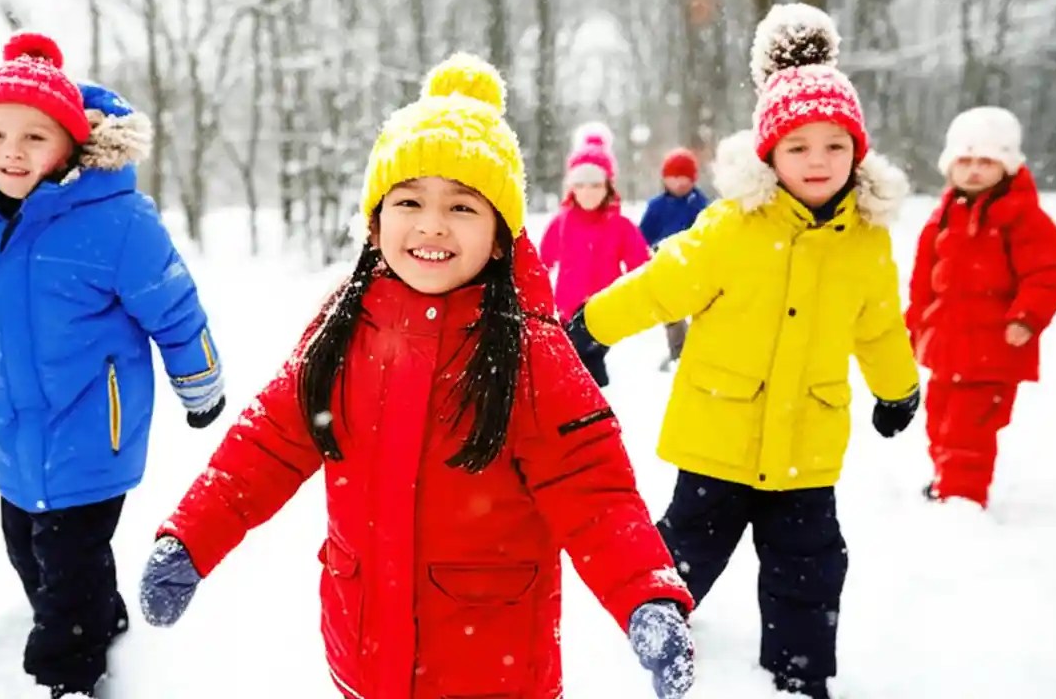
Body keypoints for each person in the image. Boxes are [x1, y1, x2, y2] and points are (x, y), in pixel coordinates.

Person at [137, 53, 695, 699]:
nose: (430, 224)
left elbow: (596, 495)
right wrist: (191, 537)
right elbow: (269, 442)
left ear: (500, 235)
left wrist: (646, 596)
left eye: (462, 207)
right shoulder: (343, 330)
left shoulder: (531, 352)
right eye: (408, 201)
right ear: (375, 222)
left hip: (491, 667)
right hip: (365, 652)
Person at [565, 4, 919, 698]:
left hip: (806, 447)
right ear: (769, 155)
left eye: (834, 146)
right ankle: (653, 615)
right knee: (688, 544)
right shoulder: (731, 227)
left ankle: (800, 671)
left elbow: (879, 324)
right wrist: (593, 324)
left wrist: (896, 387)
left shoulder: (866, 241)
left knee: (810, 566)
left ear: (857, 152)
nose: (817, 160)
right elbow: (663, 285)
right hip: (717, 435)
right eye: (798, 147)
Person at [0, 32, 226, 698]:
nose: (10, 152)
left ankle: (69, 676)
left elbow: (173, 306)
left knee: (67, 562)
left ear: (71, 146)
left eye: (33, 137)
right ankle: (99, 619)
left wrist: (199, 384)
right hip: (12, 430)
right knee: (29, 549)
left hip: (94, 430)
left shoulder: (117, 220)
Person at [906, 106, 1056, 508]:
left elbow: (1047, 275)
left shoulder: (1023, 218)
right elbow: (924, 280)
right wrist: (915, 325)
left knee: (969, 429)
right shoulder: (944, 216)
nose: (975, 170)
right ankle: (947, 481)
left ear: (1008, 166)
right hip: (946, 348)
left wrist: (1026, 318)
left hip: (993, 350)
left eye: (987, 161)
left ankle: (962, 498)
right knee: (940, 422)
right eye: (965, 160)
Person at [538, 122, 650, 386]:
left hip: (606, 311)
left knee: (586, 366)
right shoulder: (562, 223)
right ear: (571, 188)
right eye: (581, 184)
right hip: (567, 311)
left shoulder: (620, 226)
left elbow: (641, 267)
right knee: (575, 369)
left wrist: (636, 298)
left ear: (608, 187)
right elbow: (541, 264)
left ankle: (593, 407)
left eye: (595, 185)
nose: (587, 192)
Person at [639, 147, 710, 371]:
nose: (679, 183)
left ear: (693, 179)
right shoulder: (656, 206)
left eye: (685, 178)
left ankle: (702, 351)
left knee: (702, 310)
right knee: (671, 313)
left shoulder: (699, 204)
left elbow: (710, 233)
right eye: (674, 177)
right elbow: (643, 236)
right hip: (666, 266)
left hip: (695, 266)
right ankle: (678, 352)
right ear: (665, 179)